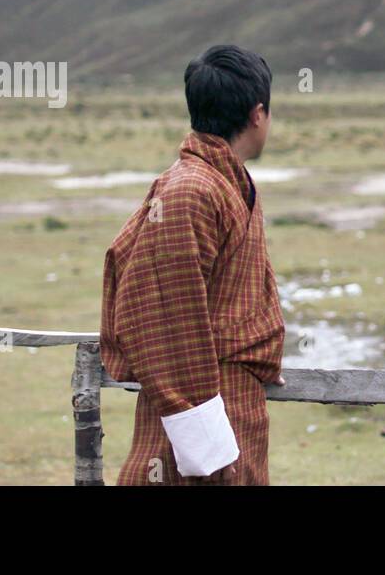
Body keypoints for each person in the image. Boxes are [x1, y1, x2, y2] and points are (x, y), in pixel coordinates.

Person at [99, 45, 285, 485]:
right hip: (198, 421)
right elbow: (163, 318)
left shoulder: (221, 182)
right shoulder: (191, 192)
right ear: (258, 114)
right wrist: (206, 442)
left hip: (231, 408)